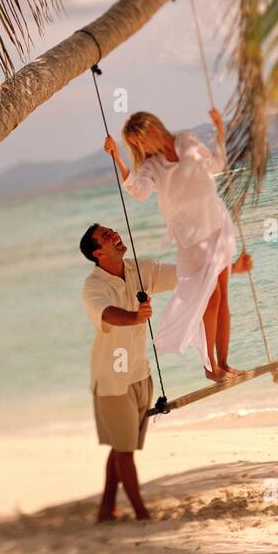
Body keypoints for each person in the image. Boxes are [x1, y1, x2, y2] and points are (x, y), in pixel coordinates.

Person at [103, 108, 252, 381]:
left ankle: (224, 363)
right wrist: (117, 158)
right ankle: (210, 368)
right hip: (192, 239)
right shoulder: (151, 168)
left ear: (153, 129)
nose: (140, 147)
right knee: (211, 297)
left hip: (217, 224)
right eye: (134, 145)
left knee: (223, 296)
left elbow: (216, 166)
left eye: (140, 140)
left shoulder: (187, 140)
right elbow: (139, 190)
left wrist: (220, 130)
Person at [79, 222, 176, 522]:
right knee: (125, 451)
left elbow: (184, 274)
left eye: (112, 230)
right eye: (106, 236)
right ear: (98, 252)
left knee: (123, 445)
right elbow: (106, 314)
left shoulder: (140, 269)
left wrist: (226, 267)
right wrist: (136, 317)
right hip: (112, 381)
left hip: (140, 373)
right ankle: (141, 514)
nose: (115, 234)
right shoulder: (93, 286)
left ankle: (106, 508)